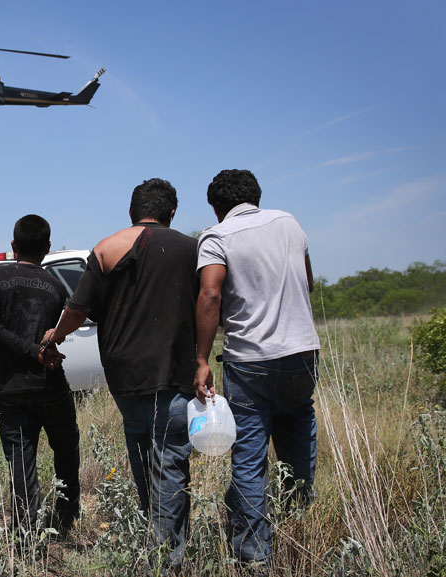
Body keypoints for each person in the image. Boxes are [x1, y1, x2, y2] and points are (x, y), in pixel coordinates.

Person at [43, 178, 198, 569]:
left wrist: (54, 336)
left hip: (125, 378)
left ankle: (160, 550)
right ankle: (167, 557)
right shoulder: (191, 249)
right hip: (175, 375)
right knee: (170, 465)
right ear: (172, 212)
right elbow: (211, 301)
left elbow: (77, 310)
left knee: (146, 461)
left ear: (132, 212)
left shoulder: (107, 247)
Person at [193, 169, 320, 567]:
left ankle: (254, 556)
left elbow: (211, 293)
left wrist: (201, 358)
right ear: (257, 196)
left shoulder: (217, 237)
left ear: (216, 207)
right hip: (302, 353)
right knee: (298, 432)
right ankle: (299, 525)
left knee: (249, 456)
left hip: (250, 359)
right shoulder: (289, 222)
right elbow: (309, 281)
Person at [0, 214, 80, 538]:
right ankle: (67, 515)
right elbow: (47, 340)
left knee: (20, 461)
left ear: (13, 245)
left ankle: (26, 533)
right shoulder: (57, 286)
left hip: (10, 389)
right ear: (47, 247)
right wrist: (36, 351)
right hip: (50, 385)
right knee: (66, 448)